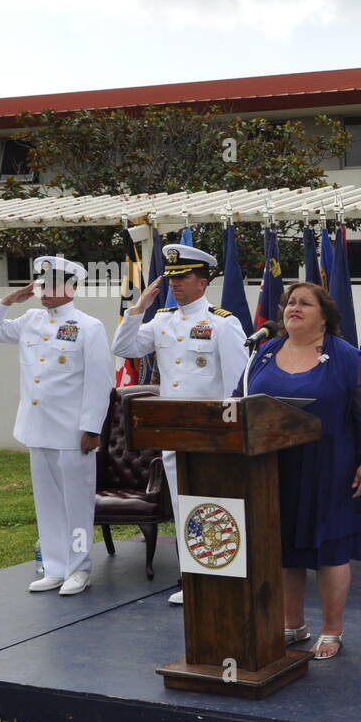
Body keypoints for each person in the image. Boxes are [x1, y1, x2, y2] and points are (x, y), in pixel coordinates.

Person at [236, 282, 361, 658]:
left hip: (329, 466)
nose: (293, 308)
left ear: (325, 315)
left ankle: (331, 629)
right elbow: (241, 403)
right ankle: (292, 624)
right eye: (289, 303)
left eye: (304, 303)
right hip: (272, 467)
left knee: (329, 549)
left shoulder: (347, 357)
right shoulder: (264, 353)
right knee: (283, 548)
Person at [111, 244, 248, 605]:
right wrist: (137, 310)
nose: (175, 284)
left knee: (216, 505)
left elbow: (238, 382)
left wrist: (232, 432)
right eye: (172, 278)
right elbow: (124, 348)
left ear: (202, 283)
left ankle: (224, 576)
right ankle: (193, 578)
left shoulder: (222, 322)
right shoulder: (161, 320)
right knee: (185, 505)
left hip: (211, 432)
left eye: (183, 277)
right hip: (172, 431)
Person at [0, 256, 111, 595]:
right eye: (41, 283)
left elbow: (98, 382)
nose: (44, 291)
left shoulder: (87, 326)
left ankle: (79, 569)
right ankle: (55, 566)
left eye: (53, 284)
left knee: (76, 504)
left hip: (71, 432)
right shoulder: (30, 320)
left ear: (72, 288)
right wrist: (6, 302)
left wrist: (92, 429)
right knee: (47, 503)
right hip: (37, 427)